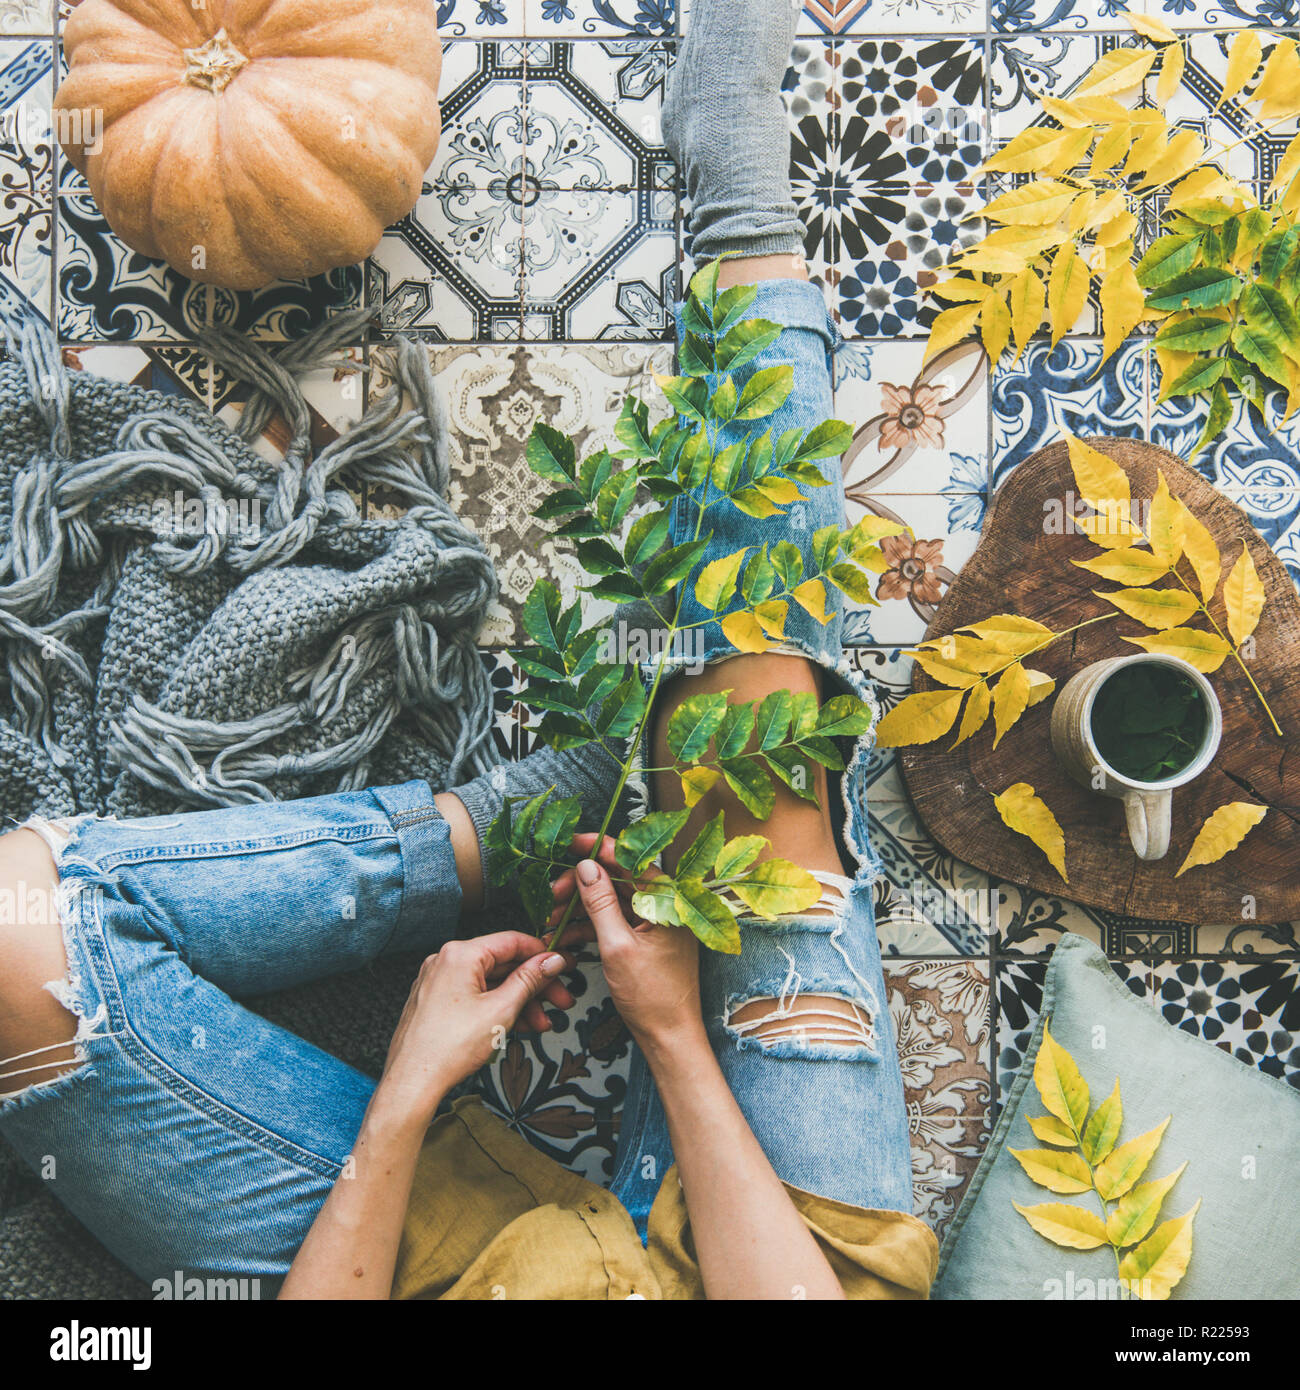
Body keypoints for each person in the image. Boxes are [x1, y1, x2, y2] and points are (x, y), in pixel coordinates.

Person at [0, 0, 938, 1299]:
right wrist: (665, 1029)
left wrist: (410, 1086)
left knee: (14, 925)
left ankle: (486, 838)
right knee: (749, 711)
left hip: (436, 1273)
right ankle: (739, 201)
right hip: (787, 1260)